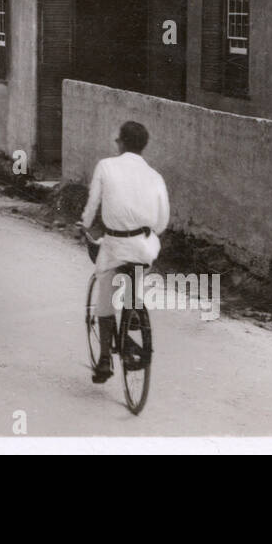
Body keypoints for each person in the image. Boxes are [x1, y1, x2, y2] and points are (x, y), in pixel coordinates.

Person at [78, 120, 168, 384]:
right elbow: (162, 222)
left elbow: (93, 203)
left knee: (105, 295)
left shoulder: (106, 166)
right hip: (144, 245)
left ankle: (105, 357)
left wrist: (84, 224)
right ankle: (133, 313)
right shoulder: (155, 176)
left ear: (122, 142)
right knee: (135, 275)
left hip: (115, 244)